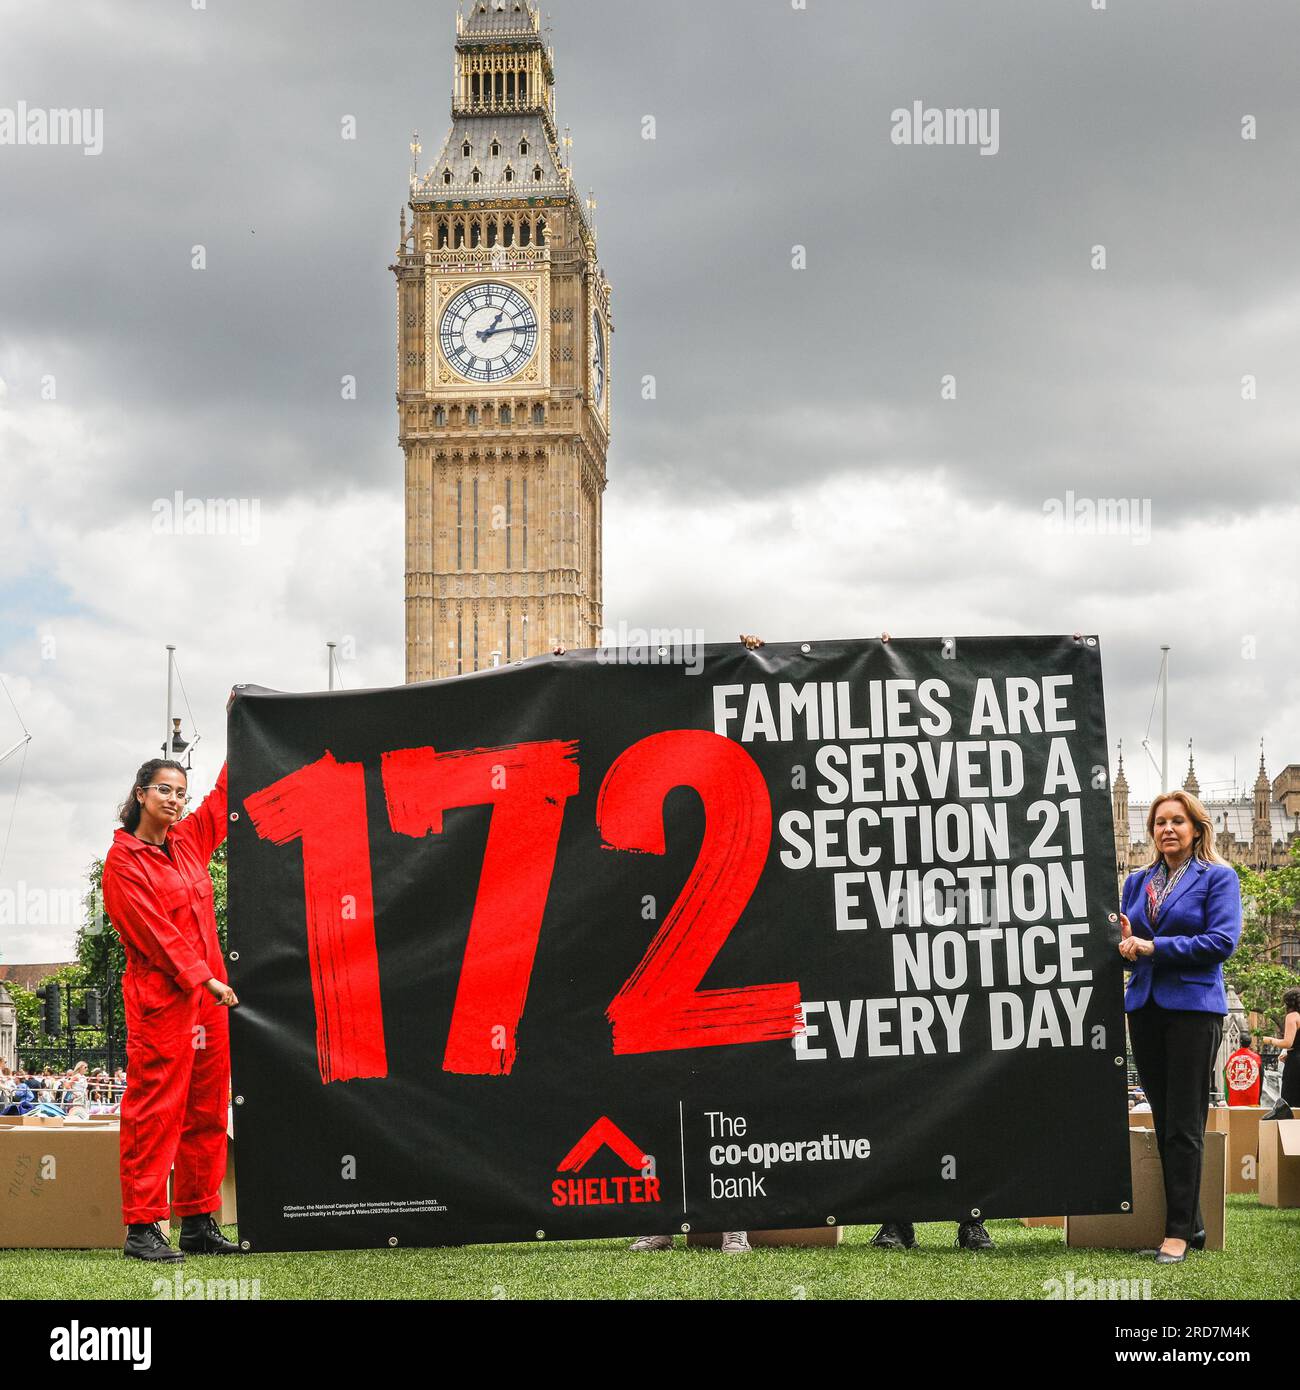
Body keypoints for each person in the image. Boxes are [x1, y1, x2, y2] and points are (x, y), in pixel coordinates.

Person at [101, 725, 243, 1264]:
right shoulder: (124, 861)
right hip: (164, 998)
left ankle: (198, 1222)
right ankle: (141, 1229)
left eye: (181, 792)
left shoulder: (188, 841)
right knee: (155, 1110)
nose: (176, 799)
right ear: (141, 794)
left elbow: (226, 796)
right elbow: (153, 930)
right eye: (165, 789)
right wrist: (204, 976)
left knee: (206, 1110)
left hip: (208, 997)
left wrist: (242, 725)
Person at [1118, 789, 1241, 1265]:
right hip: (1146, 1006)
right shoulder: (1138, 882)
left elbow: (1221, 941)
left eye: (1177, 821)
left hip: (1193, 1007)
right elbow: (1127, 941)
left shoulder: (1218, 877)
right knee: (1165, 1120)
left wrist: (1154, 948)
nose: (1167, 829)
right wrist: (1126, 947)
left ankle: (1177, 1236)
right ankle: (1194, 1224)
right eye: (1159, 822)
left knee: (1186, 1125)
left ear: (1196, 828)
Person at [1262, 988, 1300, 1107]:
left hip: (1296, 1063)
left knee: (1290, 1100)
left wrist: (1270, 1040)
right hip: (1294, 1055)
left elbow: (1287, 1043)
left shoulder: (1292, 1016)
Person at [1224, 1033, 1262, 1107]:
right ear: (1250, 1043)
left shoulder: (1232, 1058)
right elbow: (1260, 1079)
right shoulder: (1256, 1058)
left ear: (1239, 1042)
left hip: (1235, 1098)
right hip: (1252, 1099)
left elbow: (1226, 1076)